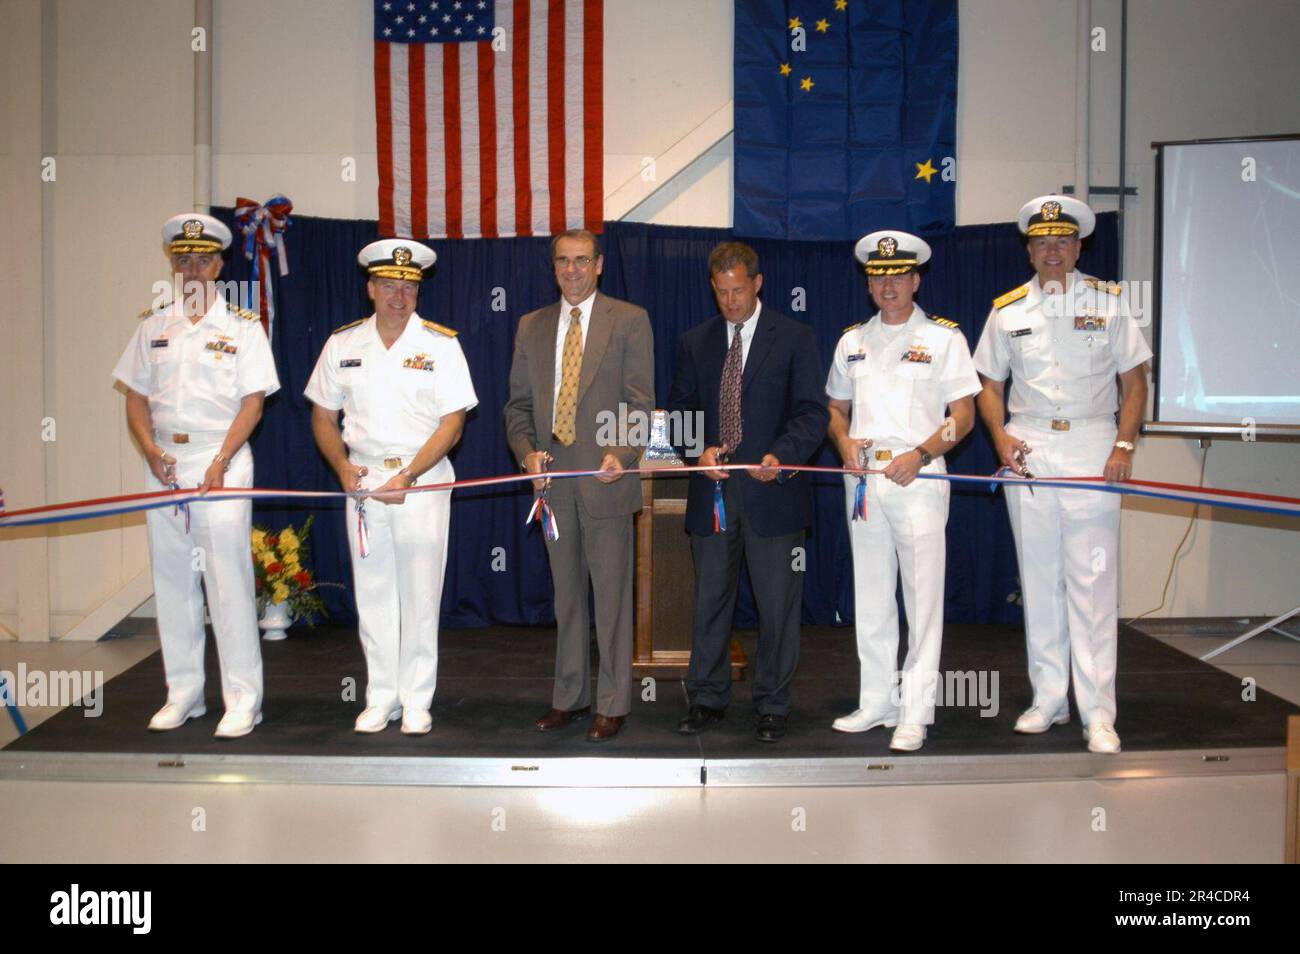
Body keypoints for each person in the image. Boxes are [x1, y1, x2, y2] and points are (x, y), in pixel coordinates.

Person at [973, 195, 1151, 754]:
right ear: (1029, 250)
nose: (1053, 251)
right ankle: (1048, 697)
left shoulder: (1111, 303)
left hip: (1094, 444)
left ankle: (1098, 712)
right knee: (1040, 580)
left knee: (1092, 584)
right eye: (1042, 242)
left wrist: (1123, 445)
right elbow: (989, 385)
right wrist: (1000, 437)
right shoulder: (1007, 311)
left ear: (1079, 247)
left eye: (1063, 241)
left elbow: (1136, 382)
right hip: (1029, 447)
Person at [112, 212, 280, 738]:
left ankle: (242, 700)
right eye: (182, 259)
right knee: (173, 581)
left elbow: (253, 404)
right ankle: (183, 693)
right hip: (164, 465)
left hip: (221, 461)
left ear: (218, 265)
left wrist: (221, 460)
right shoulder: (152, 326)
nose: (191, 268)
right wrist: (149, 449)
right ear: (173, 263)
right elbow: (136, 399)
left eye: (202, 260)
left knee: (227, 583)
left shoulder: (242, 328)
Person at [305, 239, 478, 735]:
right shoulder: (344, 343)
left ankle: (417, 697)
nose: (398, 295)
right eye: (388, 285)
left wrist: (410, 474)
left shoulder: (441, 344)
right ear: (370, 288)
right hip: (361, 479)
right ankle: (380, 695)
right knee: (374, 591)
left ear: (418, 291)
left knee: (421, 592)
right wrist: (340, 466)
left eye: (408, 286)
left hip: (420, 478)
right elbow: (321, 414)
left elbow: (453, 422)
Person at [825, 231, 981, 752]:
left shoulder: (944, 339)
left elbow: (965, 417)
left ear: (916, 280)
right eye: (877, 276)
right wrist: (843, 440)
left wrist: (924, 453)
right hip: (865, 480)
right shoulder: (852, 341)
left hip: (920, 476)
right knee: (870, 596)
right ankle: (877, 700)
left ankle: (915, 711)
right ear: (868, 282)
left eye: (897, 276)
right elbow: (834, 407)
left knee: (922, 598)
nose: (887, 285)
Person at [669, 241, 829, 742]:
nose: (731, 302)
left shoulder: (795, 337)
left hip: (773, 493)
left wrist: (781, 454)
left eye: (739, 290)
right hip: (714, 494)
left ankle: (772, 704)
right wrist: (698, 451)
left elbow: (812, 412)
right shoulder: (696, 341)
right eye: (721, 293)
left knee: (778, 606)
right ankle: (707, 698)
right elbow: (680, 413)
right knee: (709, 602)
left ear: (758, 284)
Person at [504, 229, 654, 743]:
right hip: (552, 484)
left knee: (611, 600)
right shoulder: (531, 326)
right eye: (563, 261)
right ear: (554, 267)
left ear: (599, 265)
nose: (572, 270)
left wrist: (624, 453)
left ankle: (613, 703)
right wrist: (527, 457)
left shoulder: (629, 320)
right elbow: (518, 408)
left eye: (582, 260)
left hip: (606, 478)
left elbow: (639, 402)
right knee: (566, 599)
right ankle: (569, 696)